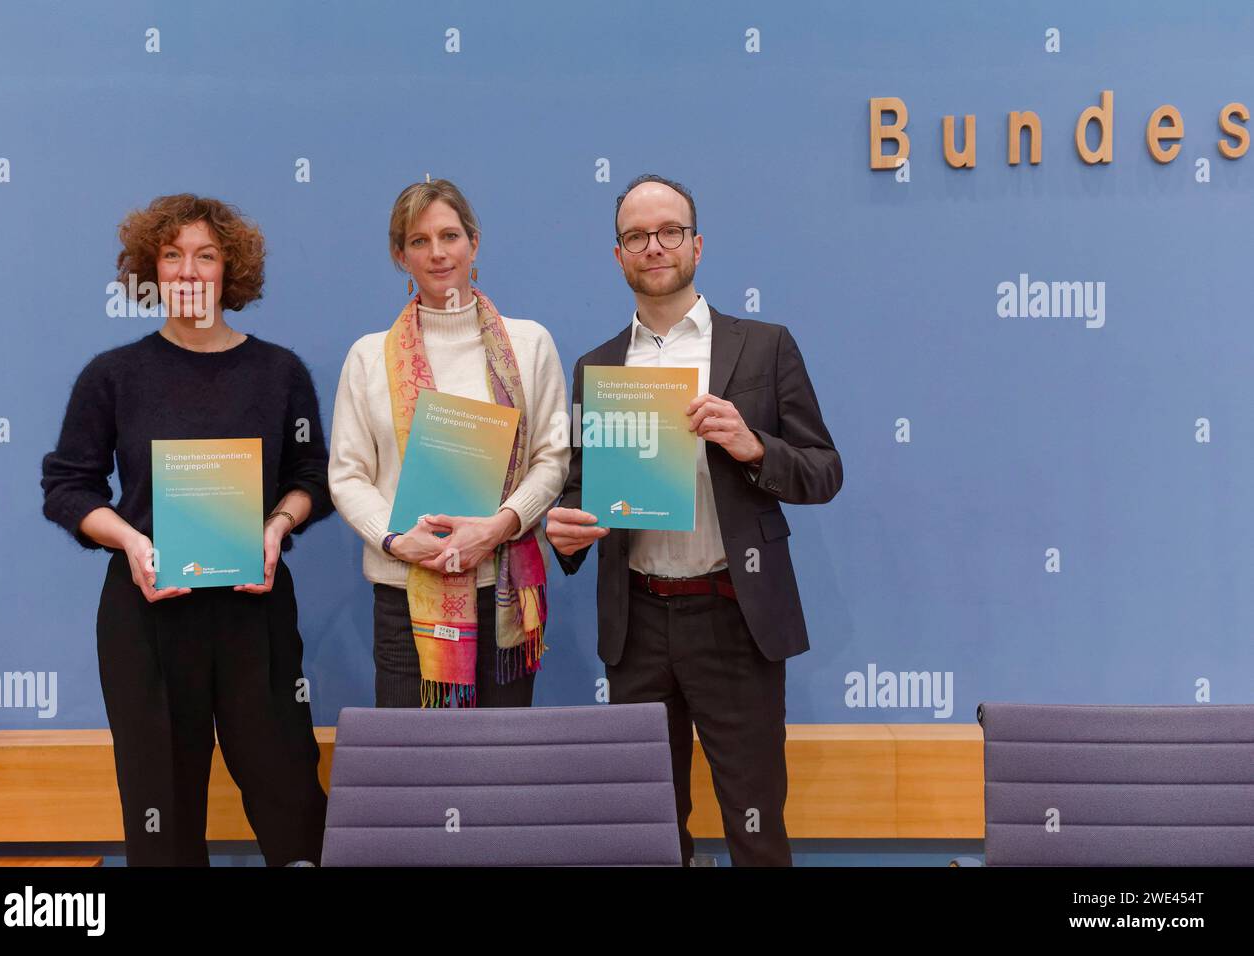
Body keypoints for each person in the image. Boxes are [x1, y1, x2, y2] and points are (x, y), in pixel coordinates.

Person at [547, 174, 843, 866]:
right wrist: (564, 532)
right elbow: (580, 490)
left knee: (755, 823)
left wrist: (751, 445)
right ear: (617, 255)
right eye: (636, 236)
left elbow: (824, 471)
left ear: (698, 245)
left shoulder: (764, 348)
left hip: (733, 615)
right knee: (646, 828)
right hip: (638, 621)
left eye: (669, 231)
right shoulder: (597, 366)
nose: (654, 246)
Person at [41, 194, 332, 866]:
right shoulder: (112, 376)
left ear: (230, 270)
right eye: (171, 256)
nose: (188, 271)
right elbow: (69, 487)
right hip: (146, 617)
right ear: (151, 270)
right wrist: (132, 542)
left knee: (292, 798)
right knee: (161, 820)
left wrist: (277, 524)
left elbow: (312, 478)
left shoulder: (278, 373)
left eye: (205, 255)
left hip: (252, 616)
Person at [329, 179, 568, 708]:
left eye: (450, 235)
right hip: (405, 593)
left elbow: (552, 458)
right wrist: (396, 539)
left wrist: (499, 526)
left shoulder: (530, 344)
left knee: (498, 765)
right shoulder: (369, 358)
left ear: (474, 243)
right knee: (415, 769)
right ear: (400, 256)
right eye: (418, 241)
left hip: (502, 592)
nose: (437, 253)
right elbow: (347, 475)